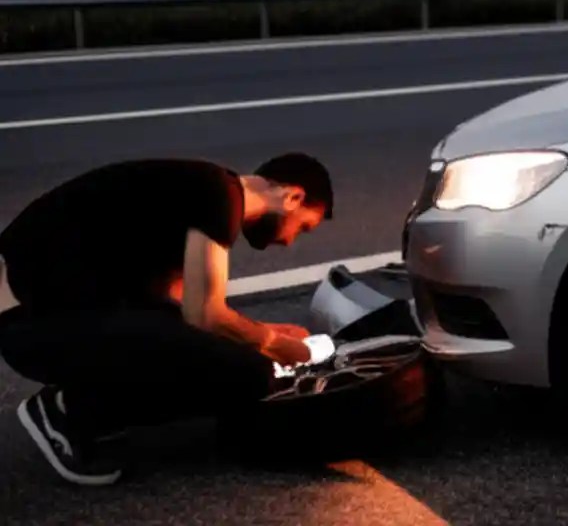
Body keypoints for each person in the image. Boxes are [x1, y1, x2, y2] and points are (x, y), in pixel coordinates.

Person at [0, 153, 334, 486]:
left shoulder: (198, 191)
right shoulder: (219, 194)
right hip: (29, 323)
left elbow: (183, 311)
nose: (289, 241)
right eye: (302, 227)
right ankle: (71, 412)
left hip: (48, 318)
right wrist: (282, 347)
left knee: (222, 353)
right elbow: (206, 316)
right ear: (293, 197)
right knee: (250, 373)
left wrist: (263, 333)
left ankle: (102, 407)